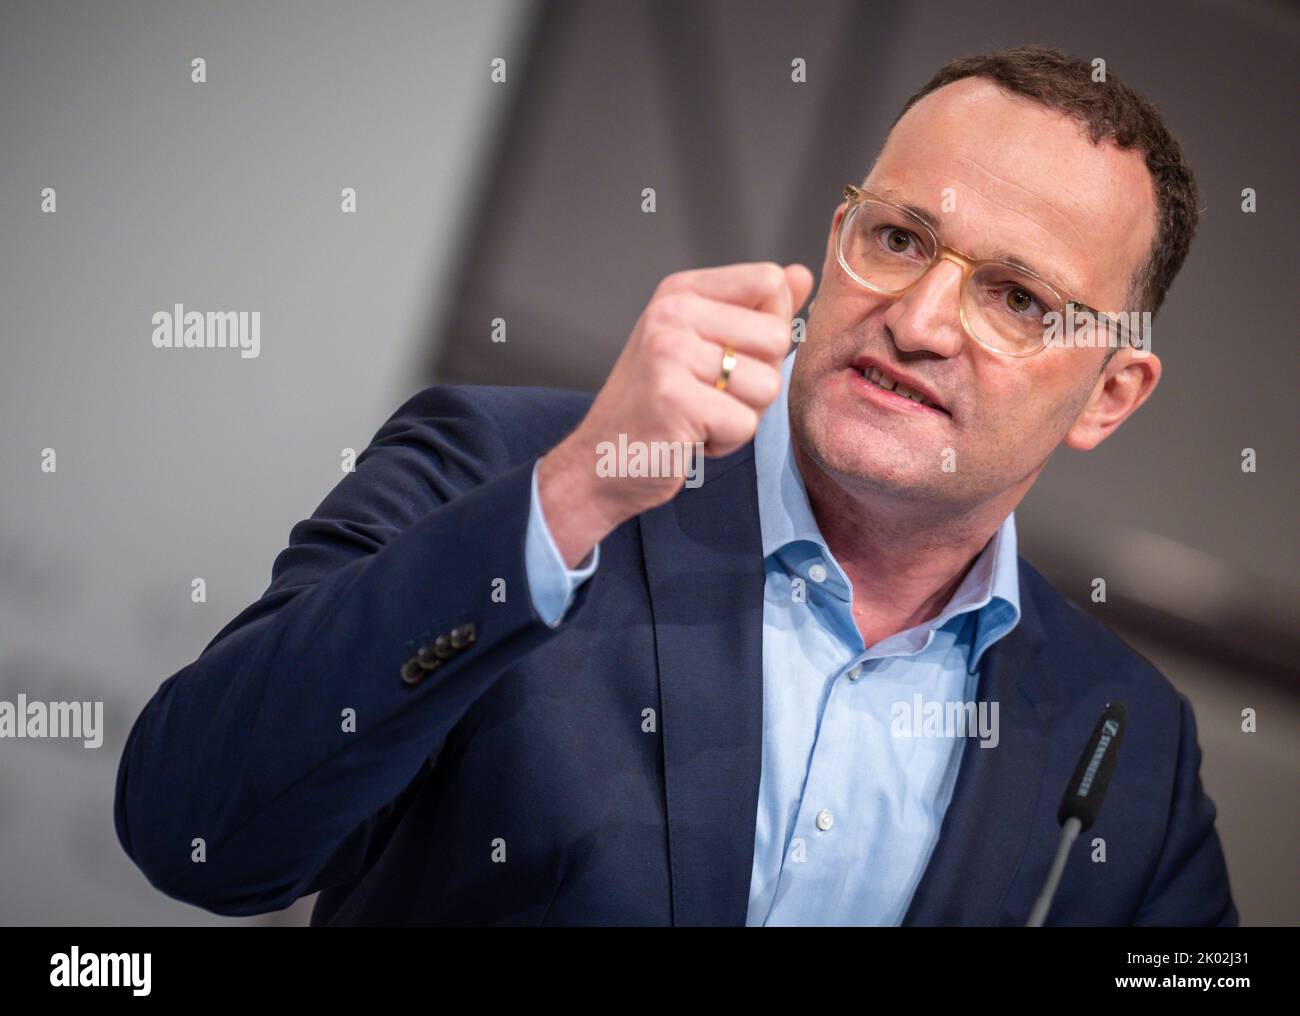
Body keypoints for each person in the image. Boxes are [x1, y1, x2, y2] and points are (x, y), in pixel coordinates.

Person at [114, 45, 1237, 926]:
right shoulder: (508, 471)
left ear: (1108, 393)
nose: (920, 318)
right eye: (897, 238)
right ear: (835, 233)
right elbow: (193, 830)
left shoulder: (1127, 737)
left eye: (1018, 299)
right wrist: (574, 498)